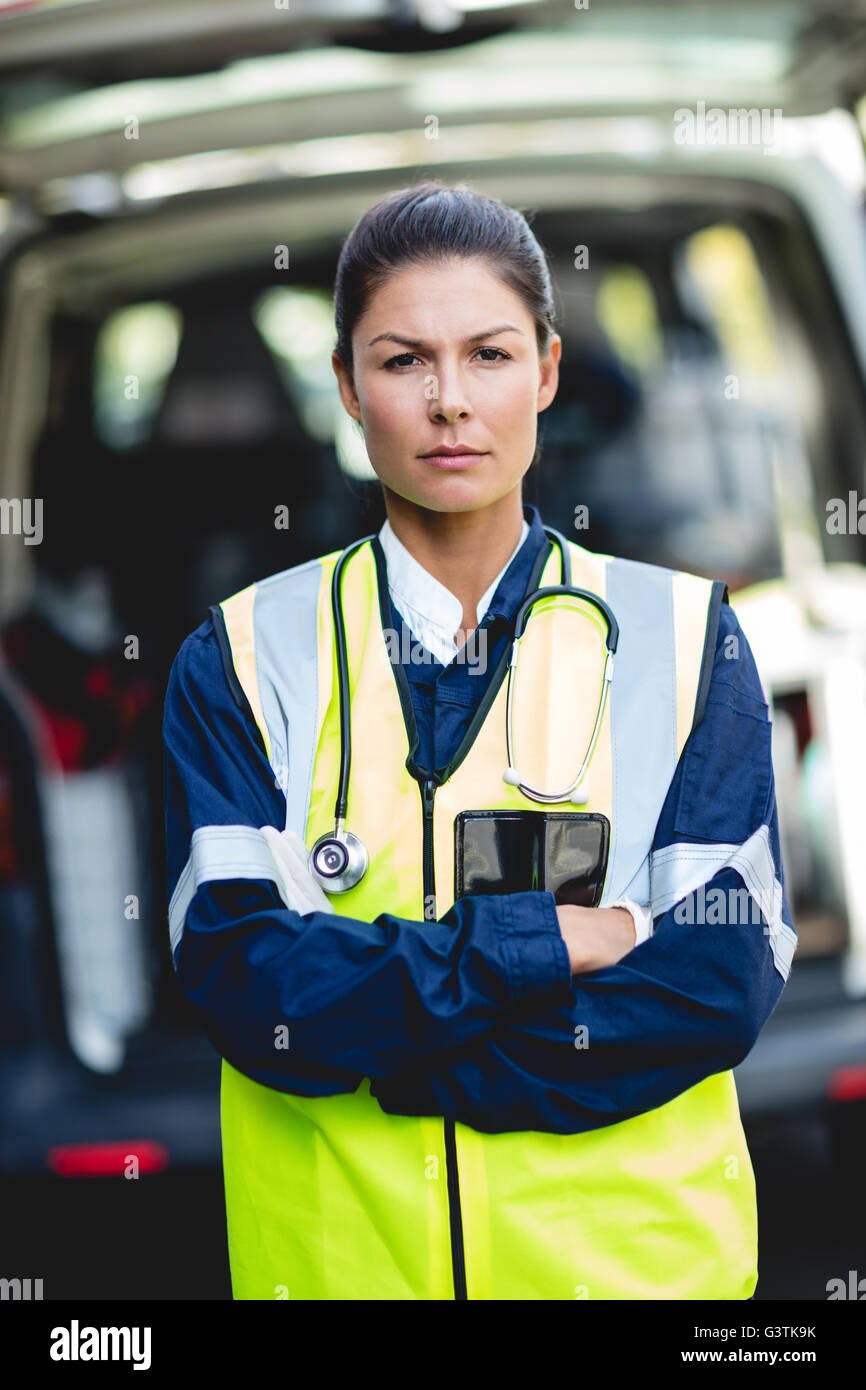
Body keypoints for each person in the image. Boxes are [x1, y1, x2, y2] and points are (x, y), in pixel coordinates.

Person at [163, 180, 796, 1301]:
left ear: (546, 372)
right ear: (348, 391)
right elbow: (245, 983)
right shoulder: (241, 655)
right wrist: (534, 948)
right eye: (403, 361)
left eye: (489, 355)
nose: (449, 401)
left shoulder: (686, 640)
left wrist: (388, 1047)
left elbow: (709, 984)